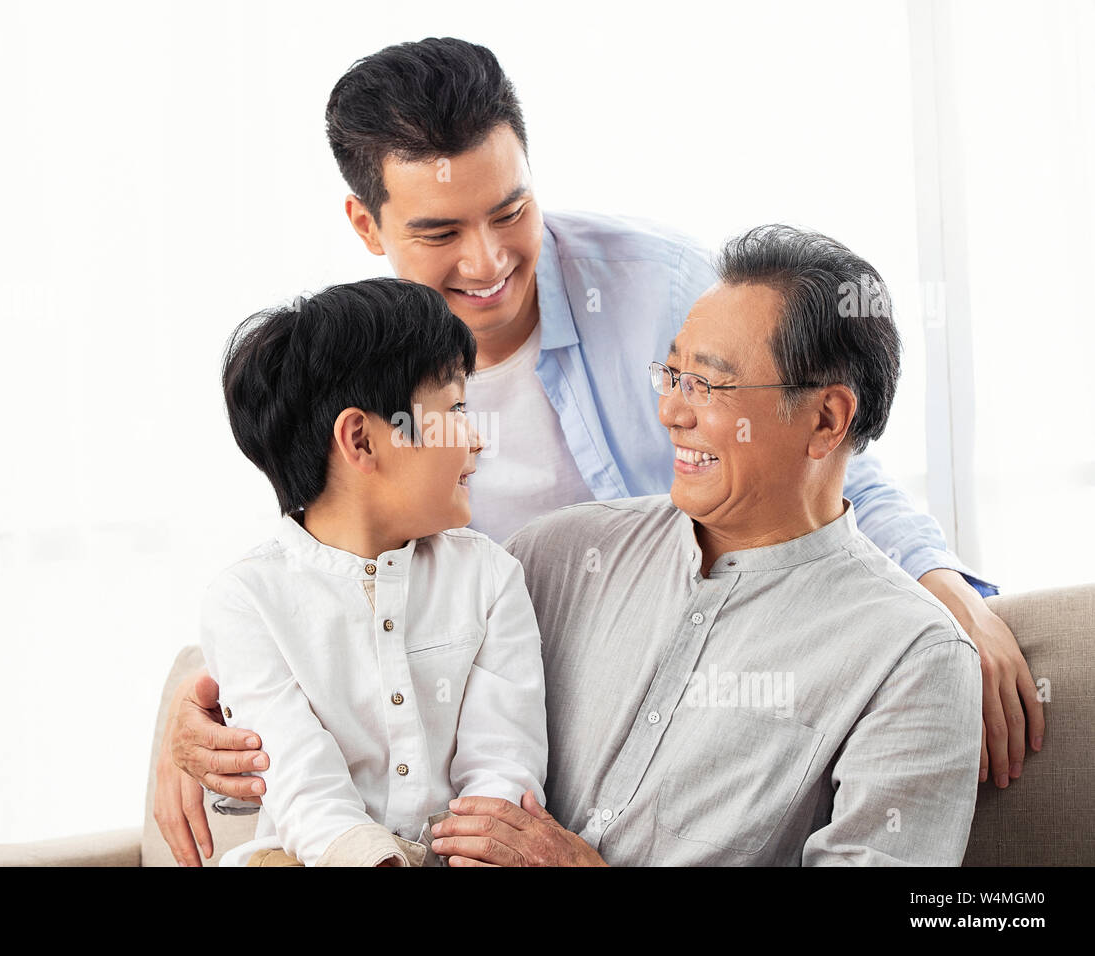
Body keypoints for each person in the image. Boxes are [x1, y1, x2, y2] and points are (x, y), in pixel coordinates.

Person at [153, 38, 1041, 866]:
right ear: (366, 223)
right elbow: (335, 563)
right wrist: (208, 673)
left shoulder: (660, 285)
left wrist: (943, 589)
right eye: (439, 233)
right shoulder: (531, 542)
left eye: (511, 211)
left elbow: (831, 456)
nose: (489, 258)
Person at [425, 225, 982, 864]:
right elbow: (387, 681)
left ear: (826, 420)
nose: (670, 411)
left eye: (707, 386)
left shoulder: (913, 657)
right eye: (671, 373)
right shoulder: (553, 555)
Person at [203, 277, 546, 866]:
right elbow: (303, 783)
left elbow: (503, 760)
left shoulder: (490, 578)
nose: (476, 441)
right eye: (455, 410)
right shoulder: (247, 600)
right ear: (361, 439)